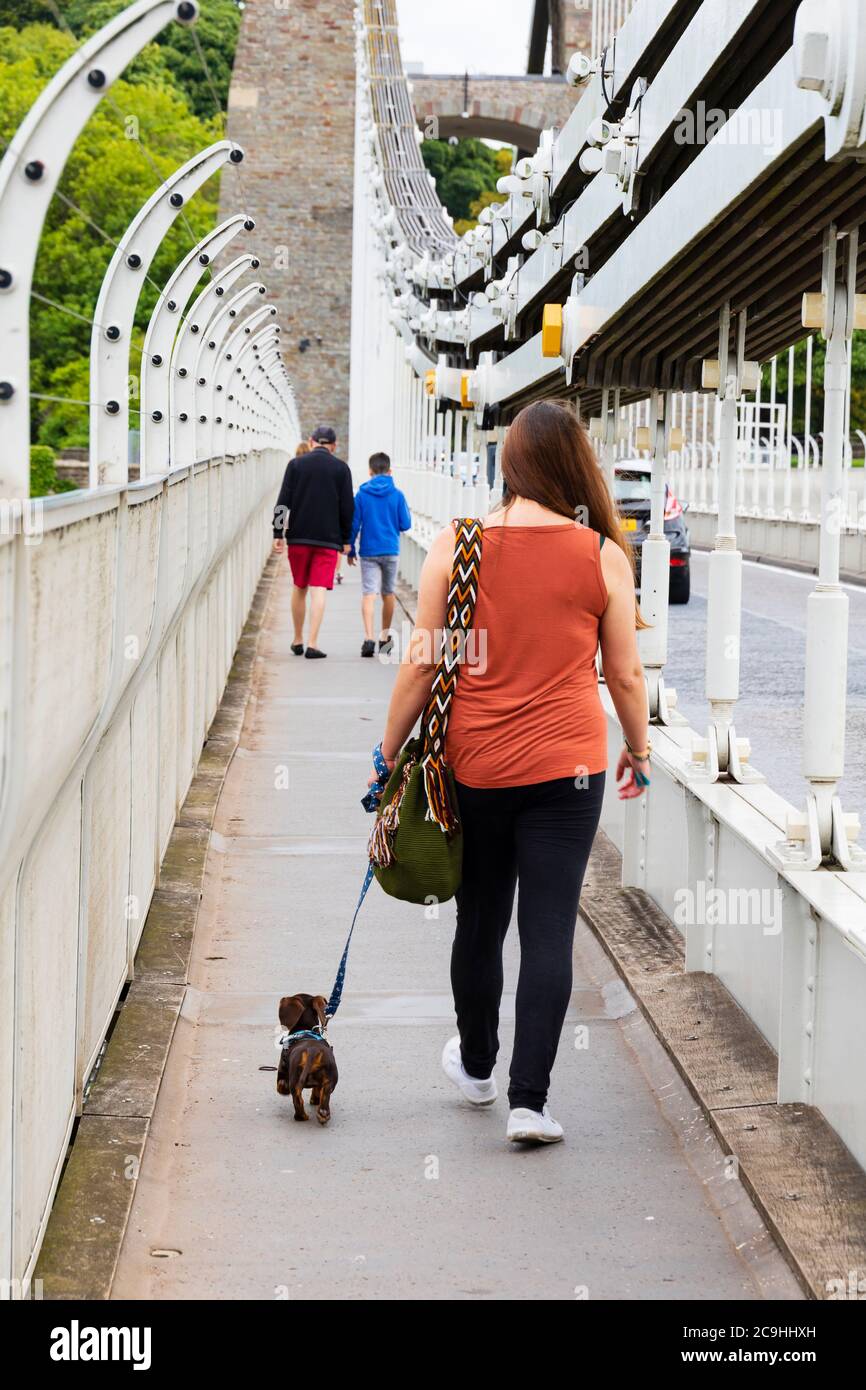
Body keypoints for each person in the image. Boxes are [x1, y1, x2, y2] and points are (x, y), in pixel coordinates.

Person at [372, 401, 650, 1145]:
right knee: (550, 930)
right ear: (574, 466)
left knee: (481, 922)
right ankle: (531, 1104)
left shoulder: (456, 546)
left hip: (476, 768)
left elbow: (420, 664)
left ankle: (478, 1066)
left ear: (509, 464)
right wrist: (640, 753)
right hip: (571, 772)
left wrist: (387, 752)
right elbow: (624, 676)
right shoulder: (602, 554)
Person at [273, 425, 353, 659]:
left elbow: (282, 501)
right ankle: (312, 643)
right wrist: (347, 539)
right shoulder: (341, 469)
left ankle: (297, 639)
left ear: (311, 441)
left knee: (299, 586)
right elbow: (347, 507)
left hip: (298, 536)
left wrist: (278, 533)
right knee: (318, 590)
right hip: (328, 540)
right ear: (334, 446)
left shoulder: (295, 465)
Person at [347, 451, 412, 657]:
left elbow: (354, 524)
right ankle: (385, 638)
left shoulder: (362, 494)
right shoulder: (398, 494)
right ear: (390, 471)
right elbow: (406, 524)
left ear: (370, 471)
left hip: (369, 550)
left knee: (369, 593)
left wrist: (351, 548)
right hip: (391, 549)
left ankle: (368, 638)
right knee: (388, 593)